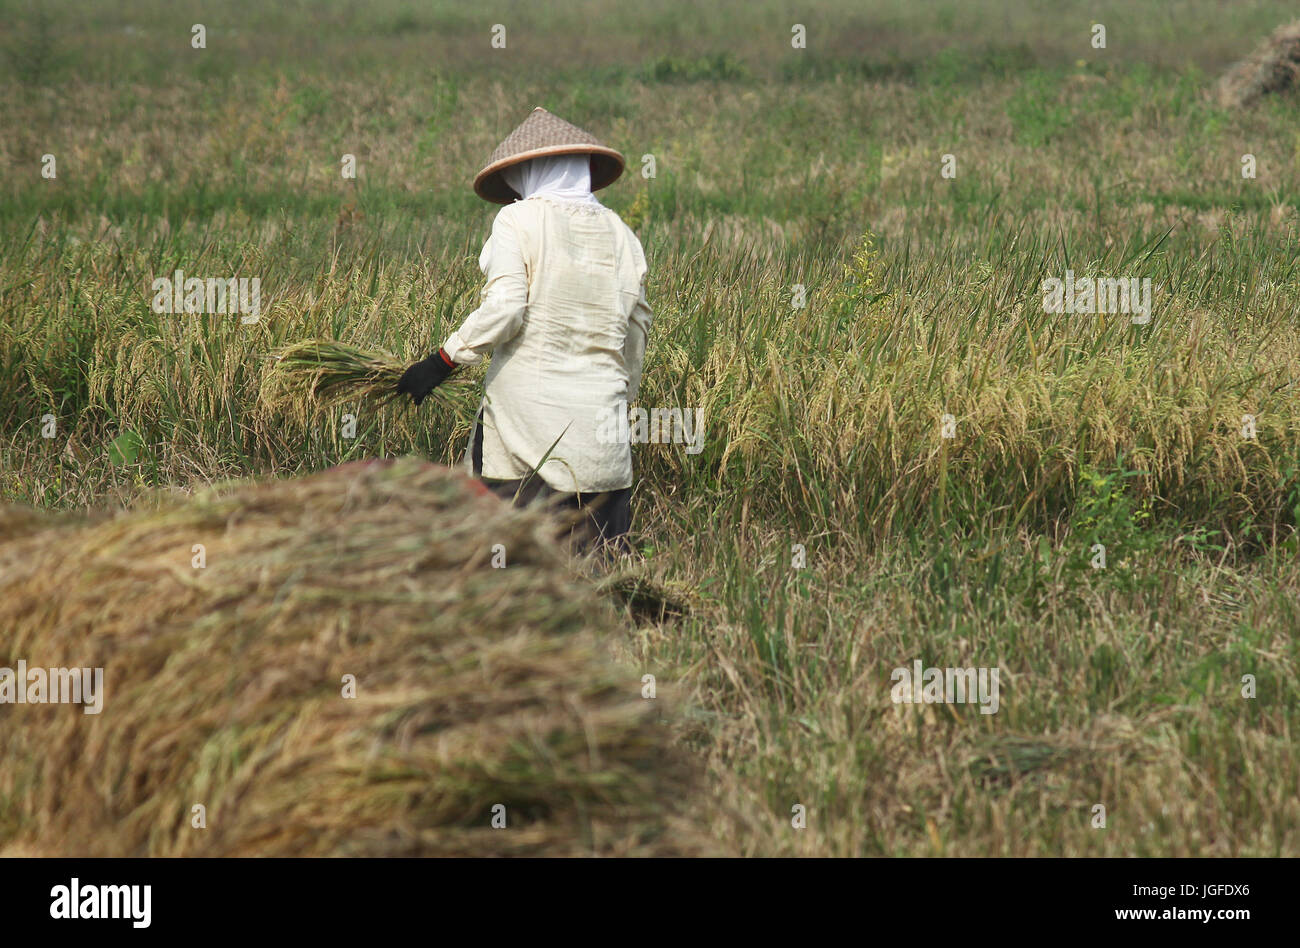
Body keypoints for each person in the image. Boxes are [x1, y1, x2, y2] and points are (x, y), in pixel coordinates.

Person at [397, 107, 652, 555]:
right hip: (602, 435)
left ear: (529, 170)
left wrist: (443, 360)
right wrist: (618, 395)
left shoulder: (517, 221)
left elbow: (507, 308)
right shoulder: (622, 233)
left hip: (526, 429)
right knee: (604, 568)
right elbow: (637, 329)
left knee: (514, 569)